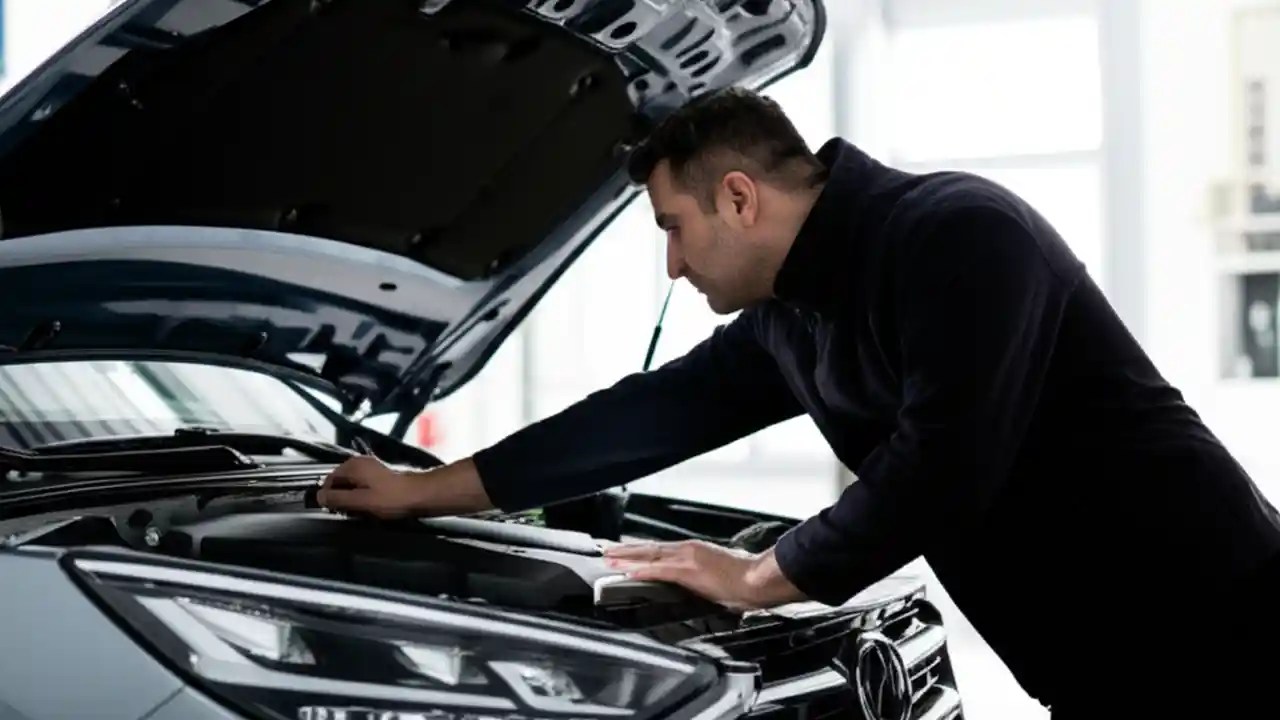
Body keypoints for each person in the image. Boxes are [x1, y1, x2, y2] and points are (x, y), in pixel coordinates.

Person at [318, 87, 1280, 716]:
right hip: (1100, 670)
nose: (673, 263)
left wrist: (760, 575)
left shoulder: (959, 234)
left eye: (675, 228)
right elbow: (645, 415)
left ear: (739, 198)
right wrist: (422, 490)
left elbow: (944, 464)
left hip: (1226, 635)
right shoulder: (793, 321)